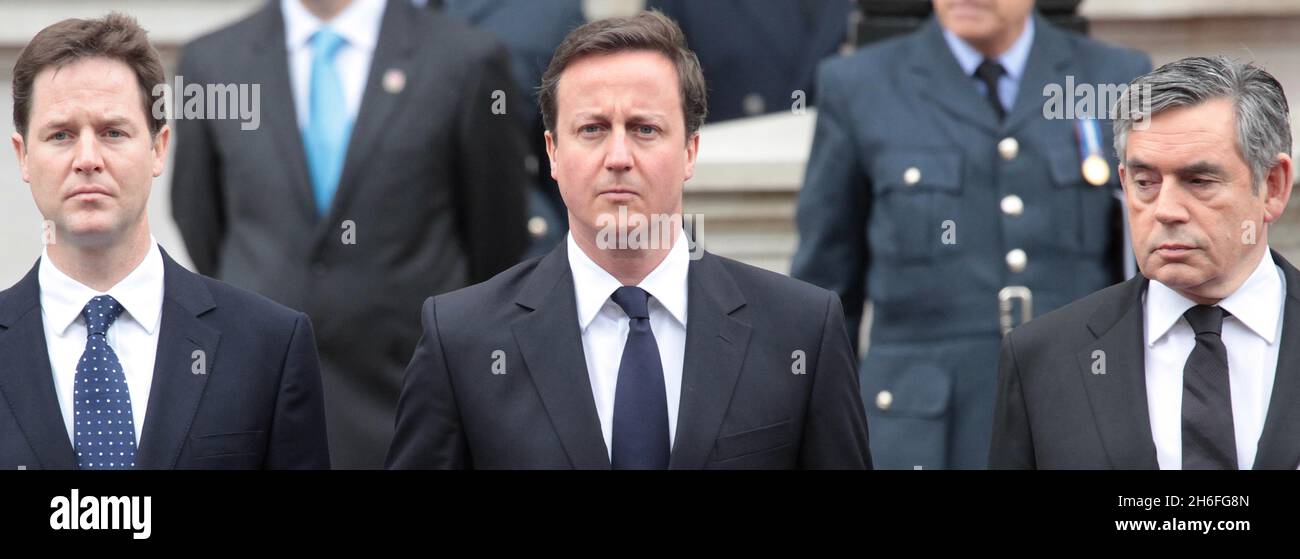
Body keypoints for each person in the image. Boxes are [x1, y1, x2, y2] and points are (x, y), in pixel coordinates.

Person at [387, 11, 871, 469]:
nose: (618, 156)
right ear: (552, 153)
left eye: (645, 129)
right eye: (593, 129)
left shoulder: (800, 330)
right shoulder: (461, 341)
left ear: (689, 151)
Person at [791, 0, 1150, 469]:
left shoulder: (1114, 78)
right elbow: (828, 290)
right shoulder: (859, 84)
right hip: (920, 428)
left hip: (1078, 408)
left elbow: (1145, 268)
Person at [171, 0, 529, 468]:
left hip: (409, 406)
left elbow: (495, 233)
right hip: (258, 403)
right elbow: (200, 217)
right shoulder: (211, 63)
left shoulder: (464, 58)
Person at [0, 13, 329, 469]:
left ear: (158, 147)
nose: (88, 158)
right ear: (23, 157)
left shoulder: (268, 346)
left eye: (113, 132)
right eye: (61, 135)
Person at [990, 56, 1297, 469]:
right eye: (1145, 183)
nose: (1166, 210)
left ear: (1273, 187)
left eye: (1199, 181)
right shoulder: (1043, 358)